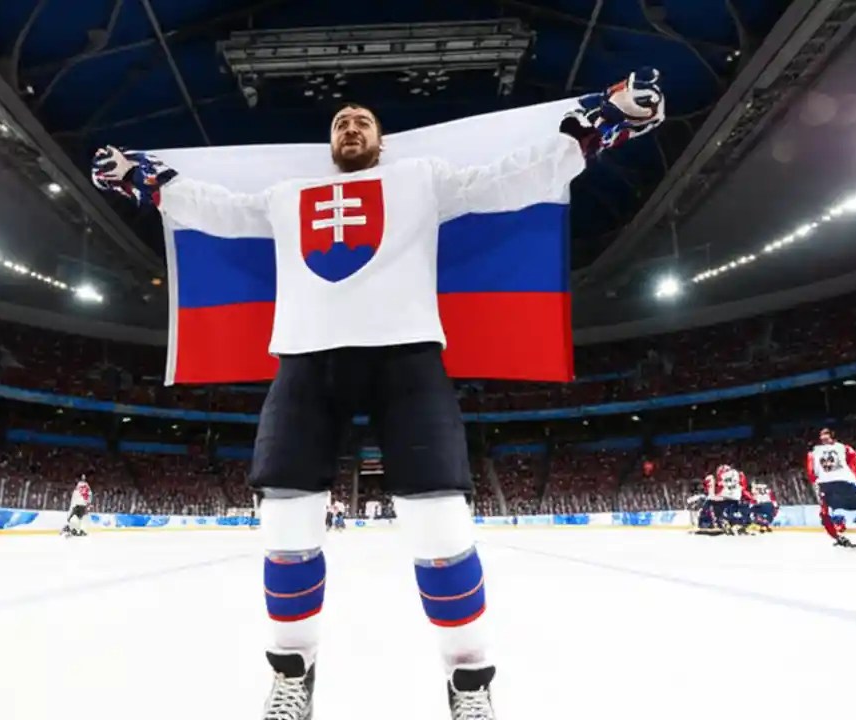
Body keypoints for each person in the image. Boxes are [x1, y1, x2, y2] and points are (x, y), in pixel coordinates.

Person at [92, 69, 665, 719]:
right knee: (285, 527)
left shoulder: (420, 179)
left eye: (362, 118)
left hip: (407, 356)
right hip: (307, 360)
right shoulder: (288, 195)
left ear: (381, 138)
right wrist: (145, 180)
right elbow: (218, 208)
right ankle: (293, 671)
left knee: (441, 527)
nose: (351, 124)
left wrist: (598, 125)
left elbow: (510, 179)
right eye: (341, 121)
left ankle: (470, 683)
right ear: (330, 141)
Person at [806, 429, 856, 549]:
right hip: (845, 482)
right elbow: (854, 465)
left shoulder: (814, 453)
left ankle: (839, 532)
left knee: (831, 511)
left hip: (827, 485)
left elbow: (811, 473)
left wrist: (817, 483)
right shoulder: (844, 448)